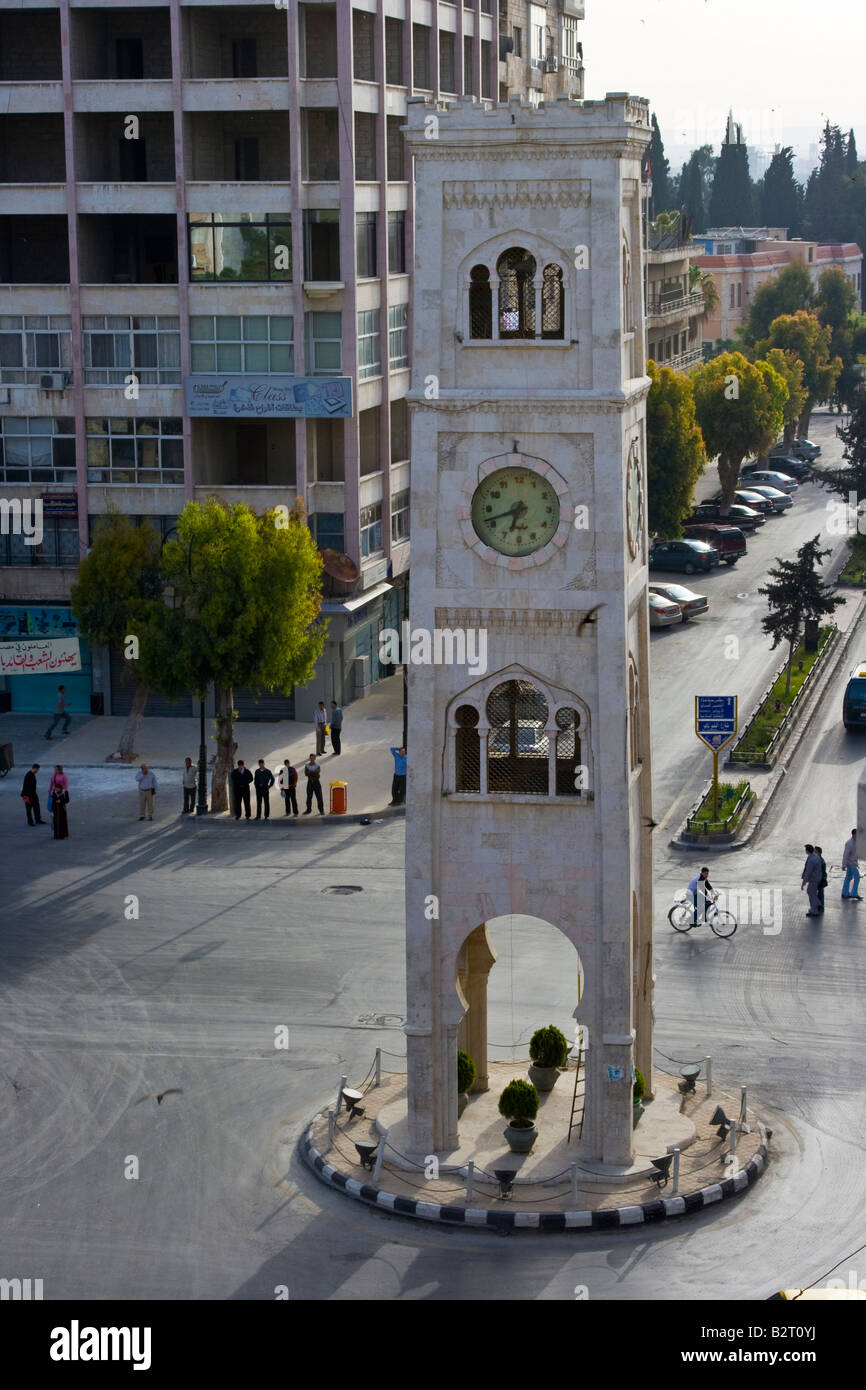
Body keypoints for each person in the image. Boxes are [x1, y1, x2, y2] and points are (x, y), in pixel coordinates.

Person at [801, 843, 823, 917]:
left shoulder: (811, 859)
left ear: (807, 851)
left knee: (811, 894)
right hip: (817, 878)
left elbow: (808, 872)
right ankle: (817, 904)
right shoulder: (815, 856)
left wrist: (803, 882)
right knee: (811, 892)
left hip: (814, 879)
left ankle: (814, 910)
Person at [49, 765, 69, 840]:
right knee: (55, 818)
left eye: (56, 770)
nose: (55, 771)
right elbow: (51, 784)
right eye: (54, 769)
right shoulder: (53, 776)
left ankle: (64, 833)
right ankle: (56, 833)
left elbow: (65, 785)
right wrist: (50, 792)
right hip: (55, 794)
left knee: (62, 818)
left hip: (61, 794)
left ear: (60, 770)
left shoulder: (64, 776)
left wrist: (62, 794)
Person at [842, 829, 862, 901]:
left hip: (852, 864)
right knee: (857, 878)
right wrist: (843, 865)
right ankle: (853, 893)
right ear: (853, 835)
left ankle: (845, 893)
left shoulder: (855, 842)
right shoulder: (849, 843)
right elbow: (845, 855)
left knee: (848, 878)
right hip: (851, 864)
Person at [815, 845, 828, 911]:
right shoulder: (820, 860)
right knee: (820, 893)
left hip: (819, 880)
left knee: (818, 893)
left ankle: (820, 906)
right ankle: (820, 905)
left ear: (819, 853)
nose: (814, 853)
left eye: (815, 852)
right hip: (820, 879)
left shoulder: (820, 861)